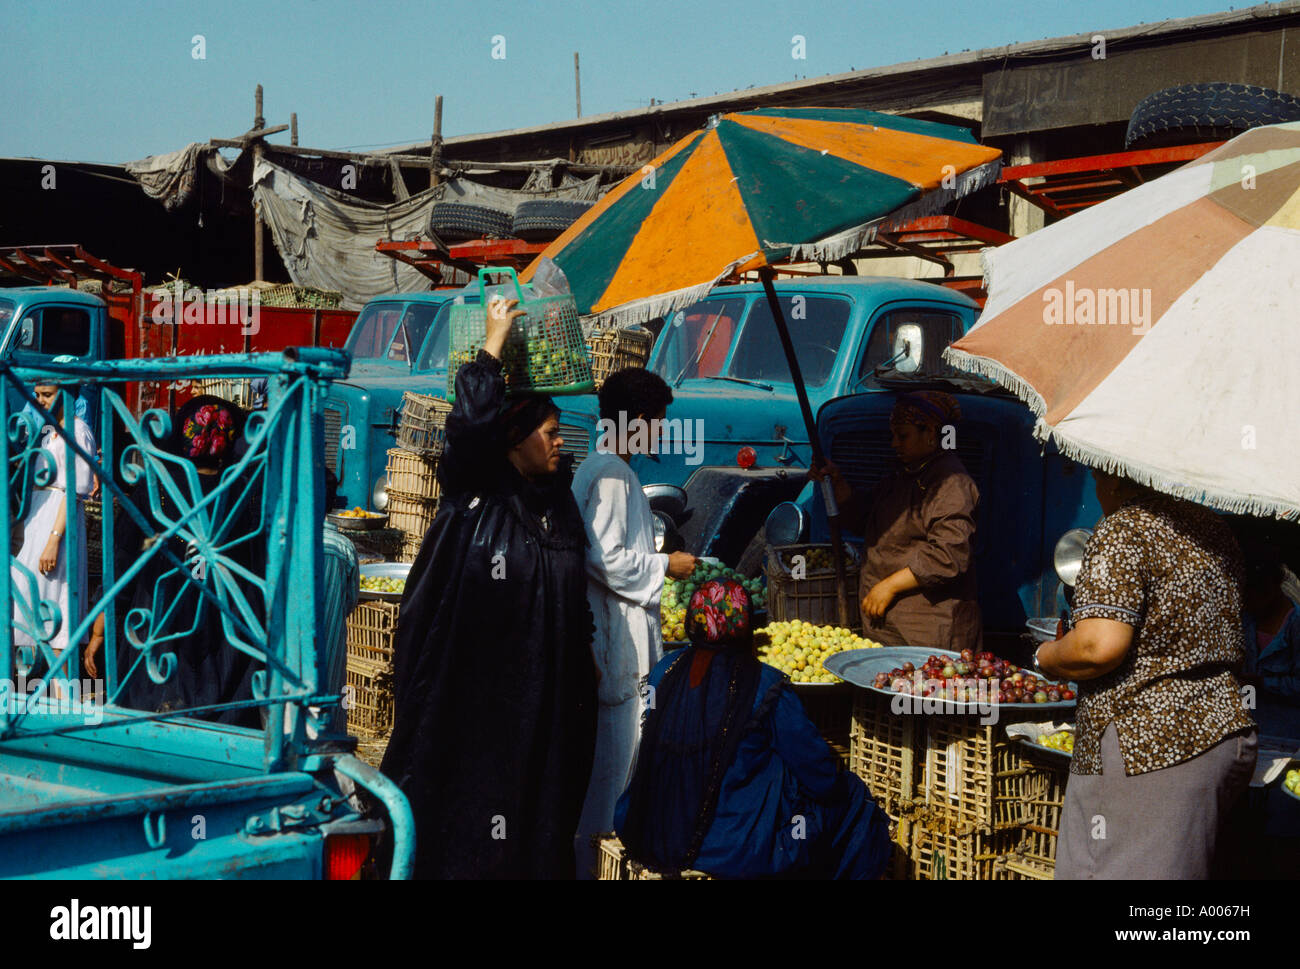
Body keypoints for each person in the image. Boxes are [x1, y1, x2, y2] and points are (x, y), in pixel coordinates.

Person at [380, 296, 598, 880]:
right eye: (549, 434)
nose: (559, 444)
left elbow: (574, 601)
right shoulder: (479, 491)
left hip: (543, 710)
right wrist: (494, 342)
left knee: (535, 822)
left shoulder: (559, 505)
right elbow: (472, 422)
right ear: (513, 439)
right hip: (472, 705)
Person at [1037, 469, 1257, 880]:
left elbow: (1097, 646)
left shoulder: (1123, 528)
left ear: (1118, 478)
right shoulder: (1211, 526)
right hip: (1221, 735)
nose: (1098, 489)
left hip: (1148, 747)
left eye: (1099, 478)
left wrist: (1046, 656)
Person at [615, 578, 891, 879]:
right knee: (852, 798)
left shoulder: (663, 671)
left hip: (642, 825)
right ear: (746, 630)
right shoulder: (764, 686)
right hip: (729, 847)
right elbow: (820, 776)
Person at [570, 367, 697, 878]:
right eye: (658, 420)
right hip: (617, 640)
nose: (663, 431)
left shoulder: (605, 470)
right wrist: (668, 565)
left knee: (612, 762)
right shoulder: (612, 476)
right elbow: (606, 559)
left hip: (615, 634)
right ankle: (599, 864)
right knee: (615, 766)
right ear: (636, 421)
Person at [91, 395, 265, 727]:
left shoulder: (157, 486)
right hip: (227, 634)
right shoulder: (243, 491)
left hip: (160, 623)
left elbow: (126, 560)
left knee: (153, 725)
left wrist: (102, 619)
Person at [809, 390, 981, 651]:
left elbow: (948, 556)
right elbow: (866, 519)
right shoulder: (903, 475)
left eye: (903, 436)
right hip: (889, 626)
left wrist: (888, 586)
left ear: (931, 435)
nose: (894, 443)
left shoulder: (950, 483)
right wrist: (837, 482)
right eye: (893, 435)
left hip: (926, 631)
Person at [11, 383, 97, 687]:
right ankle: (26, 696)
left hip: (57, 525)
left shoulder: (78, 430)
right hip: (36, 520)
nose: (39, 400)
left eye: (46, 394)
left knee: (57, 608)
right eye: (37, 394)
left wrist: (54, 539)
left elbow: (74, 490)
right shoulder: (48, 432)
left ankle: (65, 701)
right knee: (27, 606)